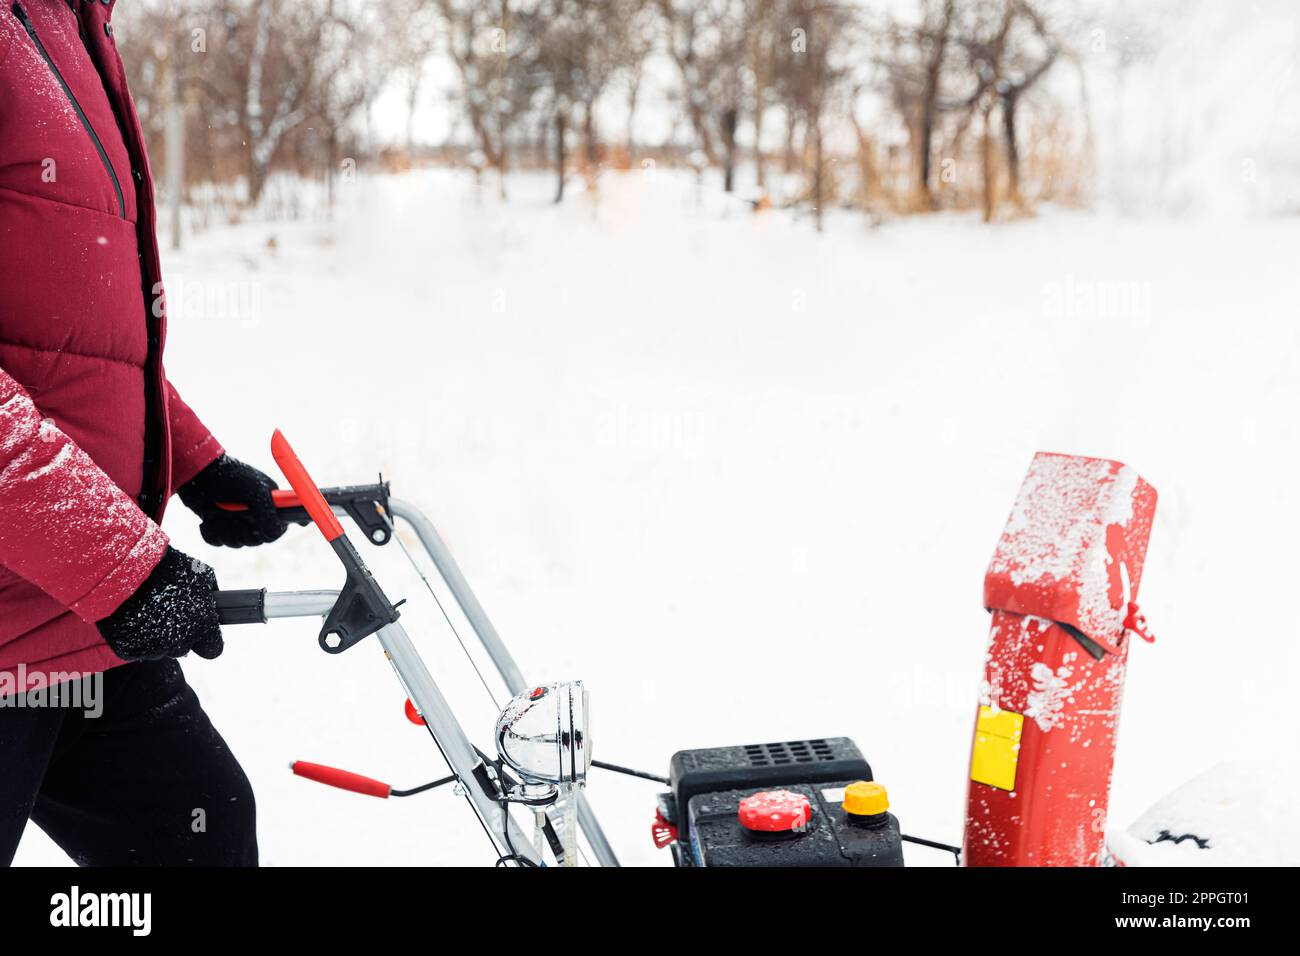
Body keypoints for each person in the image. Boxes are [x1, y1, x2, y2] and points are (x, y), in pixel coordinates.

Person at [1, 0, 283, 866]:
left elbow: (70, 342)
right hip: (40, 610)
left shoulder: (68, 24)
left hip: (74, 628)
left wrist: (194, 460)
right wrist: (121, 566)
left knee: (200, 826)